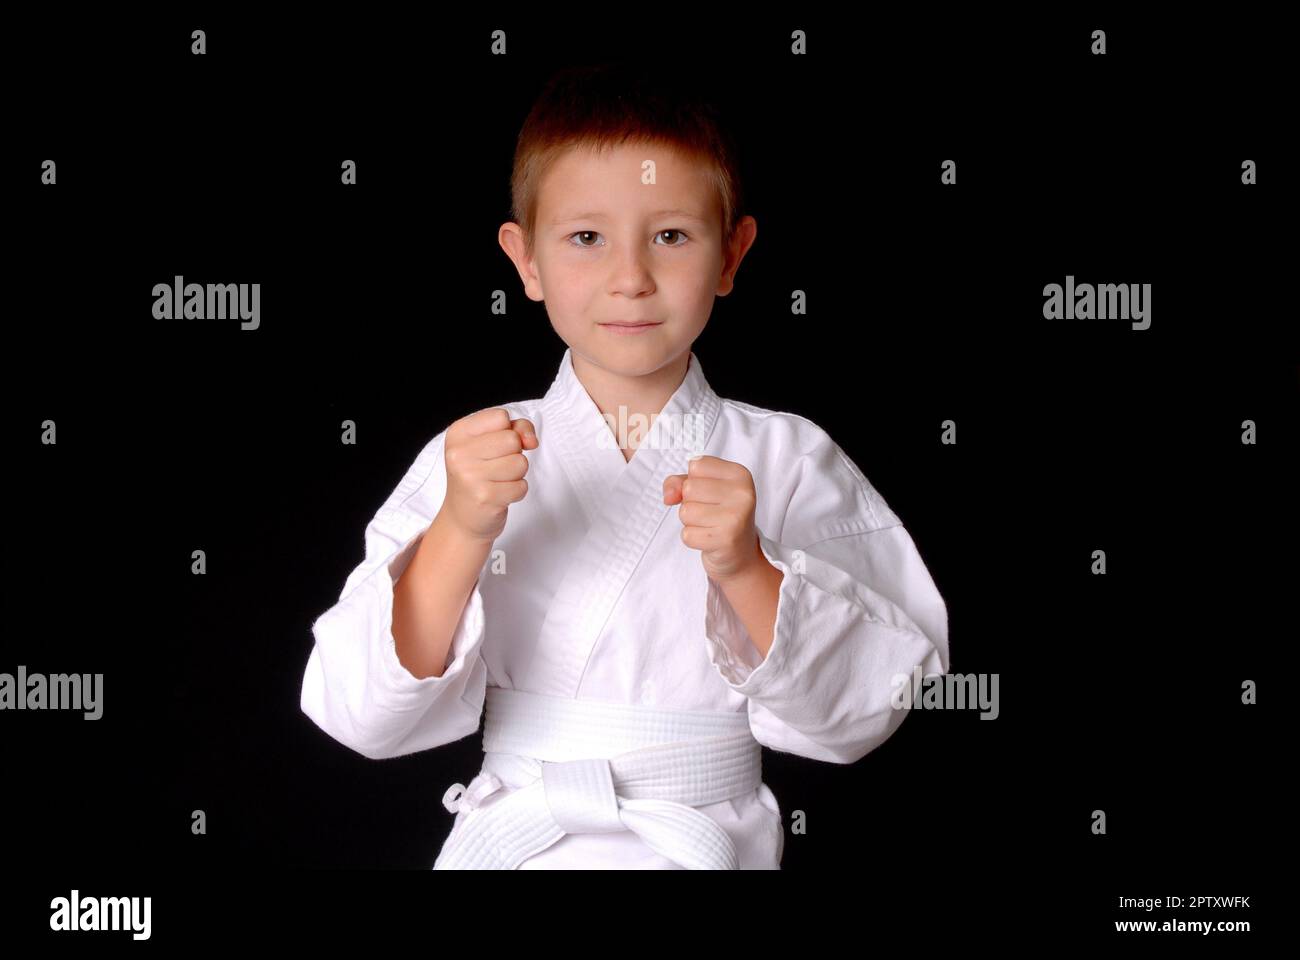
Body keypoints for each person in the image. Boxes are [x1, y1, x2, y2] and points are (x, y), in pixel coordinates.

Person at [299, 62, 950, 869]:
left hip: (701, 841)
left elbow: (871, 707)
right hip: (519, 841)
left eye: (671, 235)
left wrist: (748, 568)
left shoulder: (789, 457)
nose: (631, 278)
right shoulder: (469, 459)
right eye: (585, 238)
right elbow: (359, 712)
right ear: (525, 260)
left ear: (732, 254)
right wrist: (462, 529)